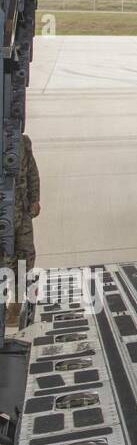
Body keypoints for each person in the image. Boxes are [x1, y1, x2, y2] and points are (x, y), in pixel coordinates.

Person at [3, 134, 39, 328]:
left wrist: (34, 200)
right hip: (3, 215)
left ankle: (15, 307)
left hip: (21, 214)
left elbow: (32, 172)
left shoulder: (23, 142)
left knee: (25, 258)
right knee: (4, 261)